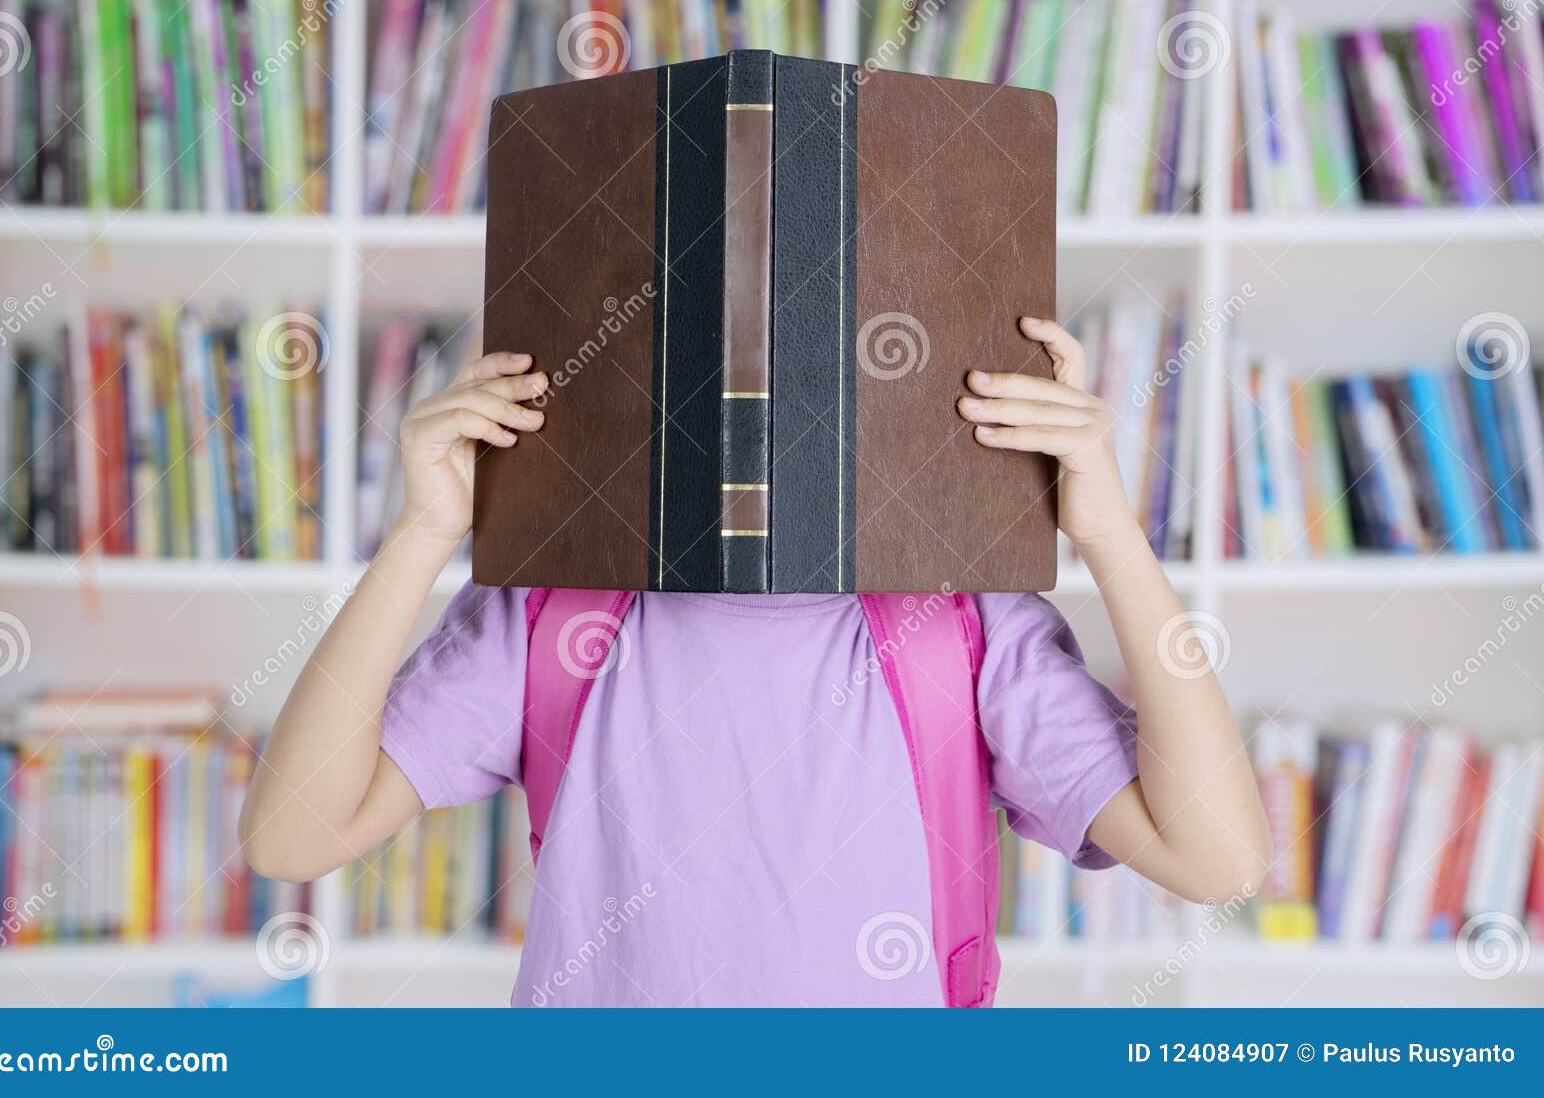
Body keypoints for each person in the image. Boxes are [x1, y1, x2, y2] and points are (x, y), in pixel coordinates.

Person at [239, 316, 1270, 1006]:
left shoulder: (963, 623)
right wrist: (426, 532)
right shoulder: (558, 605)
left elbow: (1215, 857)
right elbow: (293, 834)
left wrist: (1108, 535)